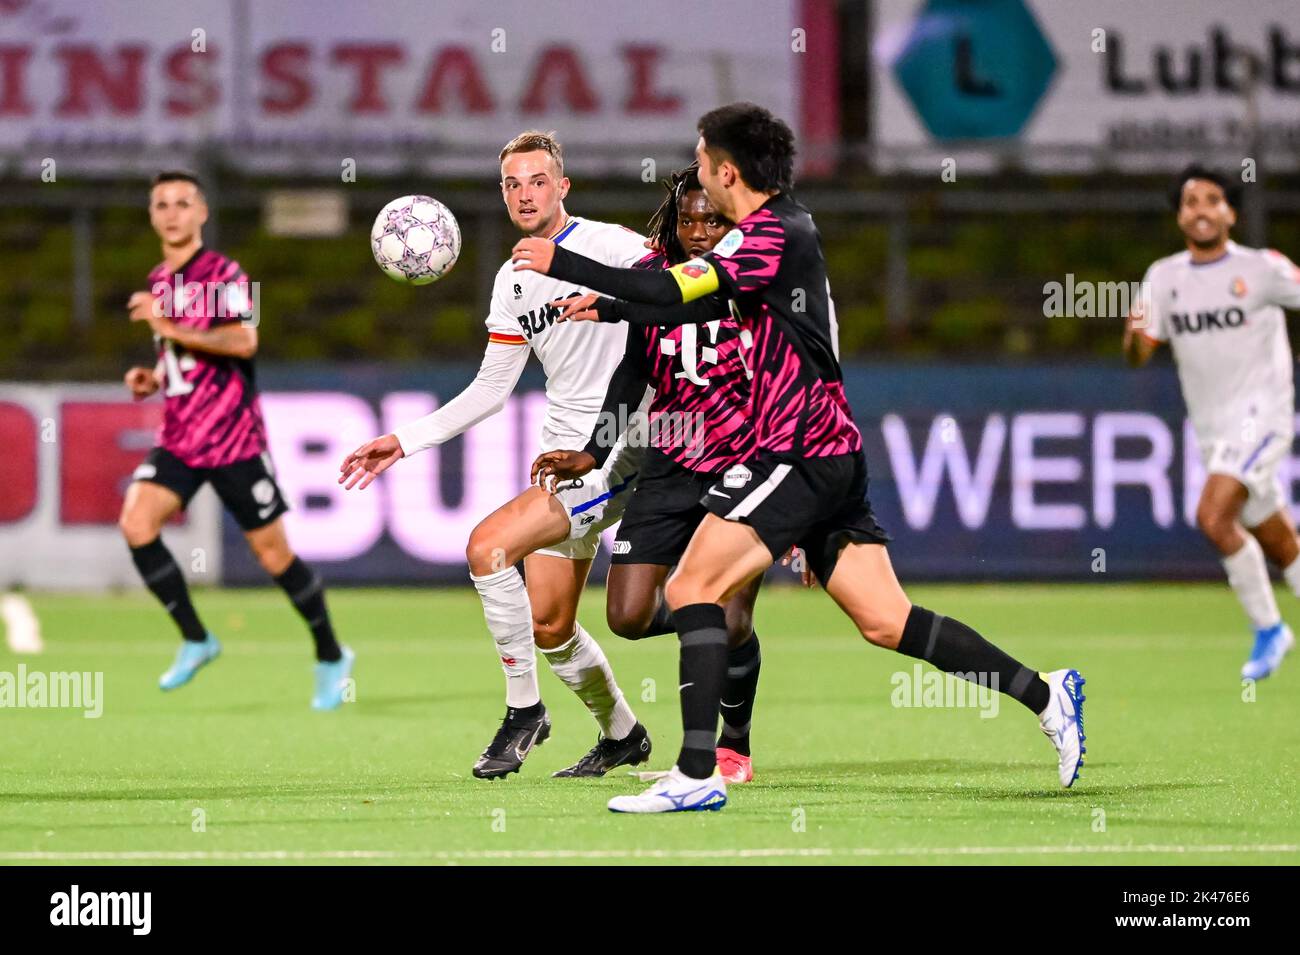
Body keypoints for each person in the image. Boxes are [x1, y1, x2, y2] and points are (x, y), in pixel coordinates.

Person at [513, 104, 1086, 813]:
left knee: (694, 588)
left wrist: (563, 263)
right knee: (885, 619)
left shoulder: (772, 234)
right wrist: (611, 311)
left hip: (797, 448)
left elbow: (677, 286)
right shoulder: (777, 232)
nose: (696, 175)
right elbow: (692, 305)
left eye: (702, 158)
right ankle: (1046, 690)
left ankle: (697, 772)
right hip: (829, 449)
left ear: (727, 171)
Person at [339, 131, 650, 779]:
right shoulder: (512, 282)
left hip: (619, 450)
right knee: (551, 625)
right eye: (512, 183)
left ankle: (523, 712)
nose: (525, 193)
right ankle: (622, 733)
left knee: (487, 547)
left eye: (538, 179)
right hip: (560, 456)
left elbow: (682, 296)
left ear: (563, 186)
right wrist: (405, 440)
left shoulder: (615, 247)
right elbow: (490, 388)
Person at [531, 163, 763, 783]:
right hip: (668, 460)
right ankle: (711, 630)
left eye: (711, 219)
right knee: (629, 616)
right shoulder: (652, 281)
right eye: (687, 219)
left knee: (730, 617)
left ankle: (729, 746)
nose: (697, 231)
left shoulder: (756, 278)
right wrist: (591, 449)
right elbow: (634, 370)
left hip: (744, 462)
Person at [121, 171, 353, 710]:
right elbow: (184, 358)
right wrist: (152, 379)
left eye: (183, 203)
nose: (172, 212)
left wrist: (169, 326)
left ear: (202, 213)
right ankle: (197, 639)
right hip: (179, 438)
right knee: (136, 522)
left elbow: (243, 342)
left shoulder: (226, 273)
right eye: (162, 204)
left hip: (233, 440)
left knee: (273, 556)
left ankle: (330, 653)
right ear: (153, 215)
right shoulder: (160, 278)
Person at [1125, 164, 1300, 680]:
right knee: (1278, 539)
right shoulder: (1164, 277)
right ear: (1180, 216)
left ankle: (1269, 628)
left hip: (1262, 415)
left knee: (1213, 516)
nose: (1200, 209)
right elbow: (1140, 354)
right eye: (1190, 201)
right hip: (1213, 428)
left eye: (1211, 200)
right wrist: (1133, 336)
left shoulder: (1262, 268)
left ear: (1231, 212)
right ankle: (1272, 625)